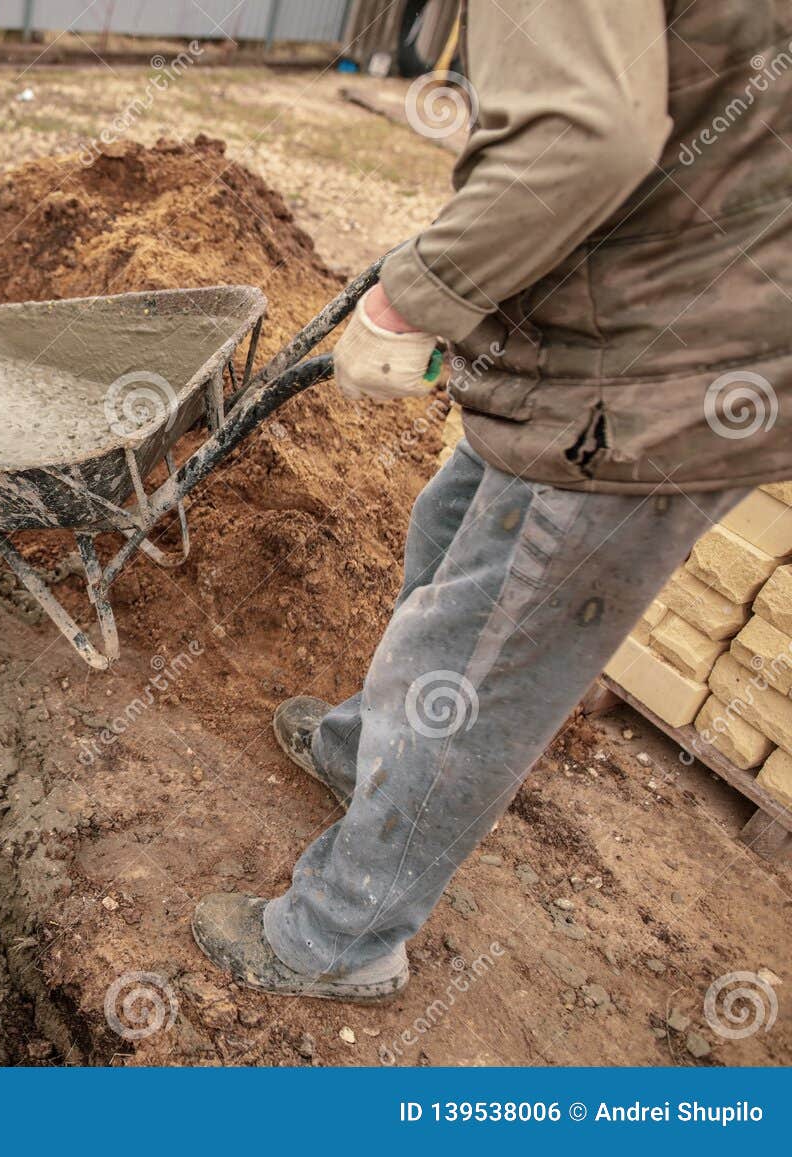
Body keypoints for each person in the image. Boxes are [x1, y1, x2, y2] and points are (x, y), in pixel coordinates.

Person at [193, 0, 791, 1002]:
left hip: (666, 366)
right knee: (445, 539)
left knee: (476, 663)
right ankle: (361, 752)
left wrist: (410, 296)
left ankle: (343, 935)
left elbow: (584, 137)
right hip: (633, 308)